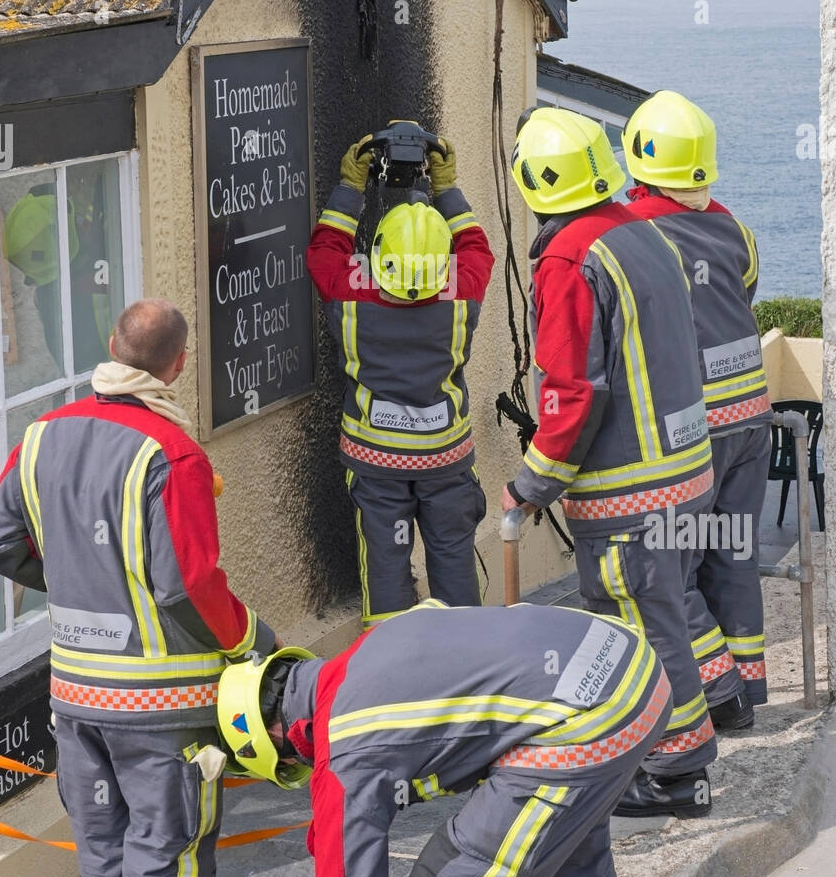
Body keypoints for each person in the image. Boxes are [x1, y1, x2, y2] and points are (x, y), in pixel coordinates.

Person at [0, 299, 278, 877]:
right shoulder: (173, 453)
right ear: (179, 365)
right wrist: (252, 638)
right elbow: (186, 587)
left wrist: (70, 579)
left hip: (74, 698)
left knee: (103, 863)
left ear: (112, 345)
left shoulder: (40, 435)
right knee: (164, 866)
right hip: (160, 711)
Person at [502, 106, 717, 819]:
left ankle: (674, 771)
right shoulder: (638, 233)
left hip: (632, 492)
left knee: (641, 627)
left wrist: (531, 484)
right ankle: (676, 756)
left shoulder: (569, 259)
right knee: (668, 614)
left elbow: (570, 391)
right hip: (685, 472)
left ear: (535, 184)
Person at [217, 599, 673, 877]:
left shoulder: (342, 751)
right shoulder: (375, 642)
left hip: (590, 720)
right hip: (633, 667)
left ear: (277, 738)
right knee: (565, 845)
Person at [622, 91, 772, 725]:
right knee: (733, 555)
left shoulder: (636, 234)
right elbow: (746, 292)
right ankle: (751, 682)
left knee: (670, 570)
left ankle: (718, 694)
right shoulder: (733, 225)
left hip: (695, 431)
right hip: (753, 420)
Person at [306, 132, 494, 625]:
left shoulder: (349, 289)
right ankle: (467, 663)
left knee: (386, 563)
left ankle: (390, 672)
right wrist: (446, 186)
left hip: (376, 462)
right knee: (453, 555)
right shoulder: (462, 288)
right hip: (446, 459)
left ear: (380, 251)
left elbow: (325, 249)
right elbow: (477, 245)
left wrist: (352, 185)